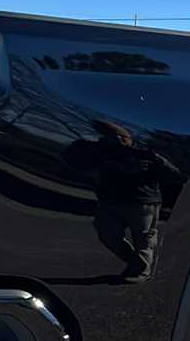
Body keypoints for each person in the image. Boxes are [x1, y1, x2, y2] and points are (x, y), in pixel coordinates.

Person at [65, 120, 169, 282]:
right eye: (111, 137)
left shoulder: (145, 153)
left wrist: (154, 160)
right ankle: (136, 263)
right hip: (110, 201)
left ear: (127, 138)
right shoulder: (99, 151)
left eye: (120, 138)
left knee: (144, 239)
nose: (118, 142)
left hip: (142, 202)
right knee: (107, 233)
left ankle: (141, 272)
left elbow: (172, 172)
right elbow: (74, 158)